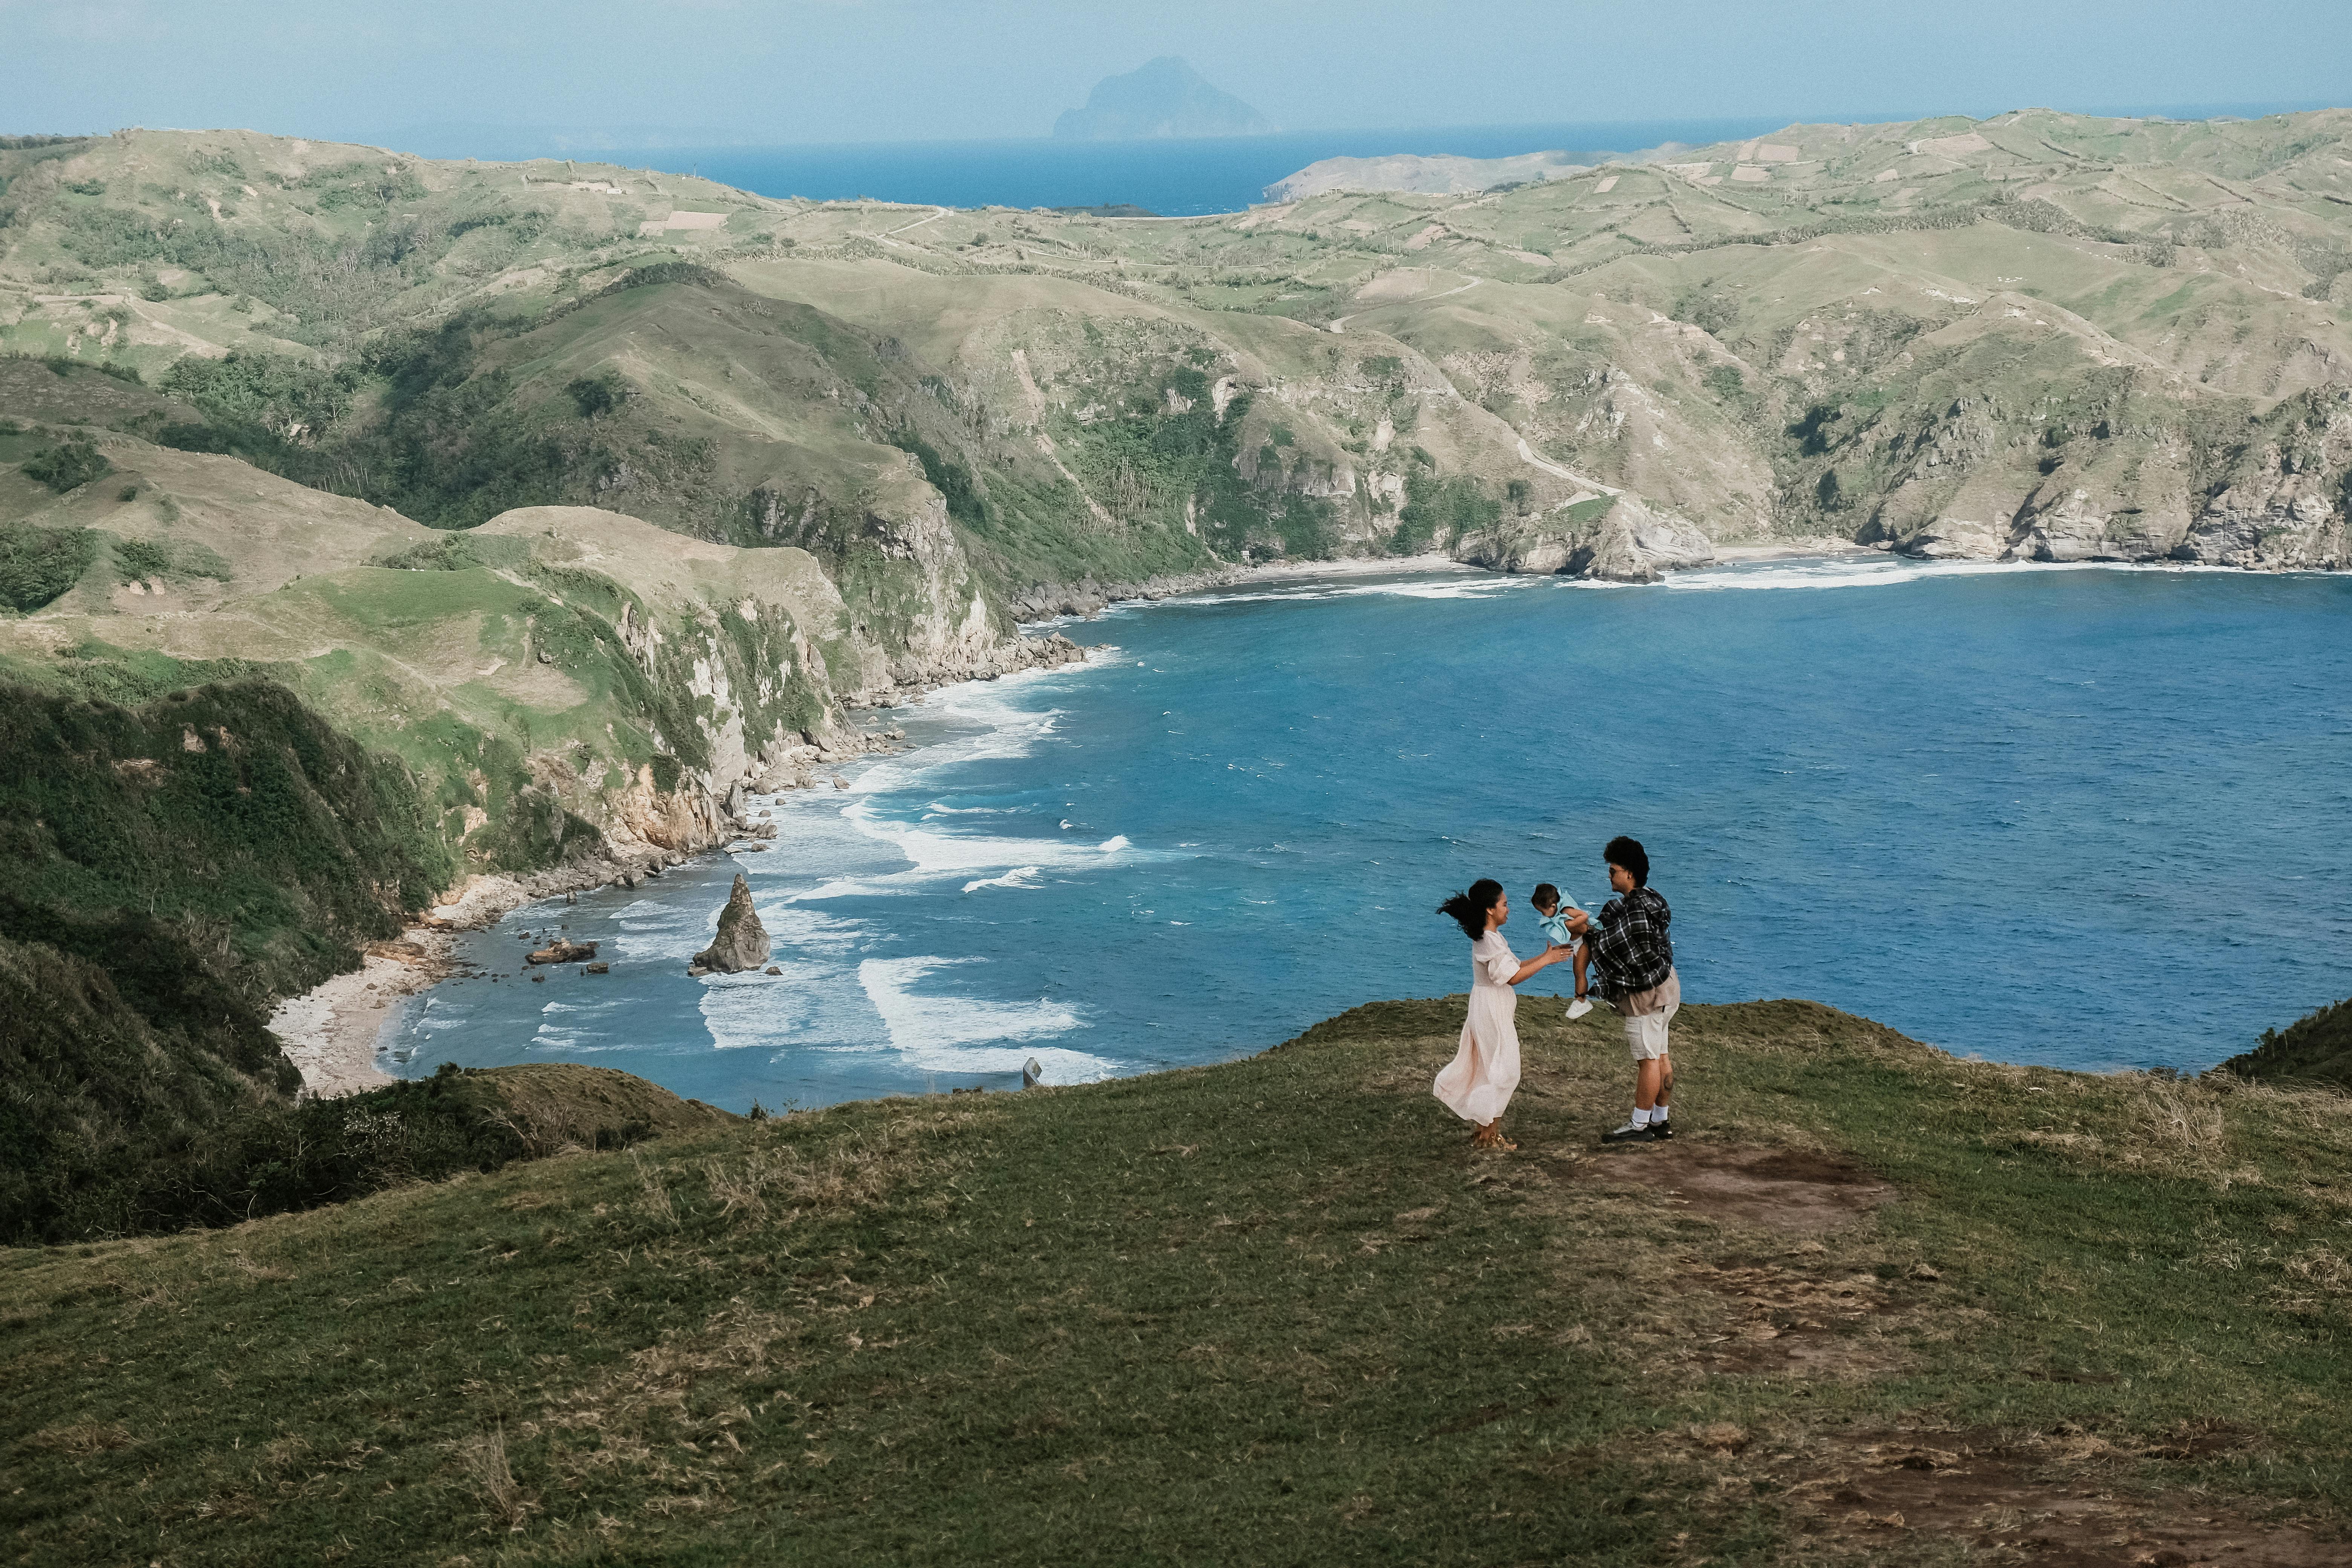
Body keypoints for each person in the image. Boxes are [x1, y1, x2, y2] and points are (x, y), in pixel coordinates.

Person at [1433, 878, 1574, 1150]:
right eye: (1505, 904)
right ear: (1490, 910)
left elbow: (1515, 966)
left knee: (1492, 1069)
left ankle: (1484, 1132)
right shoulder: (1489, 941)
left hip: (1489, 1006)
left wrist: (1545, 957)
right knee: (1503, 1071)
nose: (1508, 909)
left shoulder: (1491, 938)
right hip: (1491, 1009)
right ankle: (1490, 1136)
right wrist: (1547, 961)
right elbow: (1512, 977)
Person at [1565, 836, 1680, 1145]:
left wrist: (1585, 932)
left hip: (1646, 995)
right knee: (1661, 1055)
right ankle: (1661, 1120)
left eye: (1613, 871)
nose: (1609, 876)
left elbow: (1611, 943)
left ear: (1629, 873)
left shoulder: (1633, 912)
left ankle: (1639, 1125)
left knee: (1648, 1060)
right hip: (1668, 986)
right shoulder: (1652, 900)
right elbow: (1619, 934)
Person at [1530, 883, 1596, 1018]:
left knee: (1580, 971)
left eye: (1543, 912)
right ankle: (1580, 1000)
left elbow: (1584, 916)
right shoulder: (1558, 913)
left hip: (1585, 940)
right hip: (1578, 942)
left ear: (1553, 907)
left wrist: (1569, 925)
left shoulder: (1566, 911)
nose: (1543, 915)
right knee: (1577, 972)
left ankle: (1581, 1001)